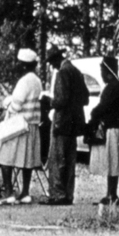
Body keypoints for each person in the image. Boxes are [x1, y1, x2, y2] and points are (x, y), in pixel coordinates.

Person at [0, 49, 43, 205]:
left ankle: (8, 193)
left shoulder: (24, 81)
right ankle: (25, 192)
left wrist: (7, 104)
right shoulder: (37, 80)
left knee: (4, 157)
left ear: (24, 65)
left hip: (19, 125)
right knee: (27, 160)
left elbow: (17, 104)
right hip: (32, 125)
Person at [42, 44, 89, 206]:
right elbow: (85, 98)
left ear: (56, 59)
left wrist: (50, 101)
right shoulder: (76, 71)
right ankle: (68, 194)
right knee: (70, 159)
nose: (51, 65)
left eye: (51, 61)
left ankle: (58, 194)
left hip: (62, 121)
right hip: (74, 122)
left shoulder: (63, 72)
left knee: (57, 158)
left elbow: (61, 100)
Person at [88, 55, 119, 207]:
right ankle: (111, 193)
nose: (101, 75)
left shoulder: (112, 87)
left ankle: (112, 194)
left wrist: (94, 113)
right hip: (118, 127)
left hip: (114, 128)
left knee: (112, 161)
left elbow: (104, 107)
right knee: (113, 161)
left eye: (102, 71)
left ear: (107, 71)